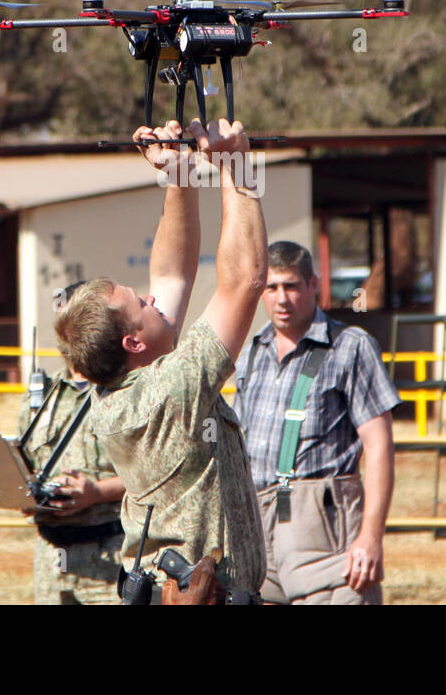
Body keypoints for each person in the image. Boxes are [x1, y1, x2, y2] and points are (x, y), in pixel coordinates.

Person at [55, 117, 268, 603]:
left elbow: (171, 275)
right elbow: (245, 280)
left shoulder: (117, 386)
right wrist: (236, 163)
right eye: (140, 304)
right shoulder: (170, 389)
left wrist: (180, 176)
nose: (152, 300)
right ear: (132, 342)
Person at [234, 241, 399, 604]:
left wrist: (371, 536)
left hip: (323, 527)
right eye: (272, 287)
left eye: (292, 285)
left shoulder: (351, 346)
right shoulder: (250, 353)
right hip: (257, 527)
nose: (281, 298)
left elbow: (379, 445)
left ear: (314, 284)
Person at [15, 355, 126, 605]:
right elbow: (26, 467)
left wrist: (97, 492)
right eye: (59, 312)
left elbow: (155, 474)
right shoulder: (41, 394)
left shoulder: (126, 389)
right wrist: (25, 494)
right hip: (51, 563)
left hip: (111, 559)